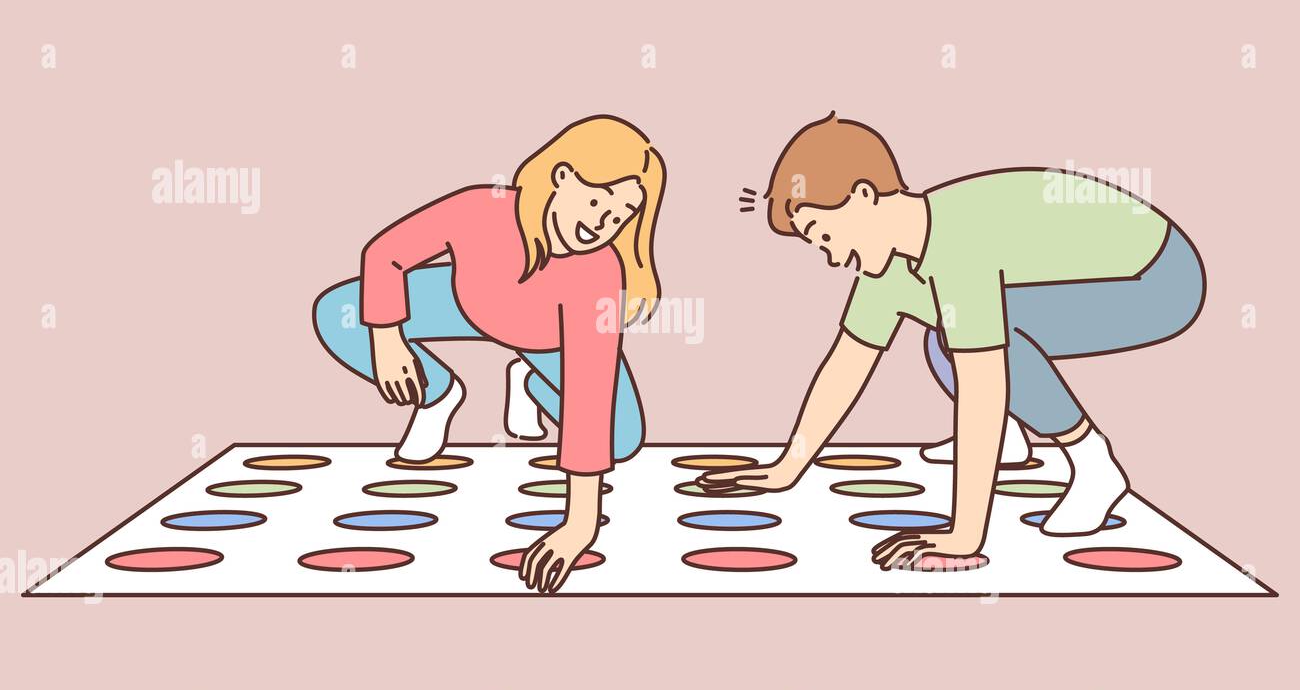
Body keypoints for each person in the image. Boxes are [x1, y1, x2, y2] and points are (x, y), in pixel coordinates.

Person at [702, 112, 1204, 570]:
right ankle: (1013, 443)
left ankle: (1094, 464)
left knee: (989, 334)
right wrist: (787, 466)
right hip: (1099, 277)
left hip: (1157, 277)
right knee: (949, 336)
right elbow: (846, 364)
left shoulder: (958, 243)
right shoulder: (887, 267)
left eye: (824, 234)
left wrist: (964, 535)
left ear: (860, 196)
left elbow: (984, 385)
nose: (833, 259)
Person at [314, 115, 664, 592]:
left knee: (622, 438)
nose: (605, 221)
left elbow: (590, 393)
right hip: (464, 303)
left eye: (622, 215)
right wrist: (388, 337)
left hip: (549, 342)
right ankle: (437, 393)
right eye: (599, 197)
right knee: (340, 314)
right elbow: (386, 254)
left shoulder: (598, 276)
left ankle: (527, 382)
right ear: (563, 176)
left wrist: (579, 525)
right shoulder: (482, 207)